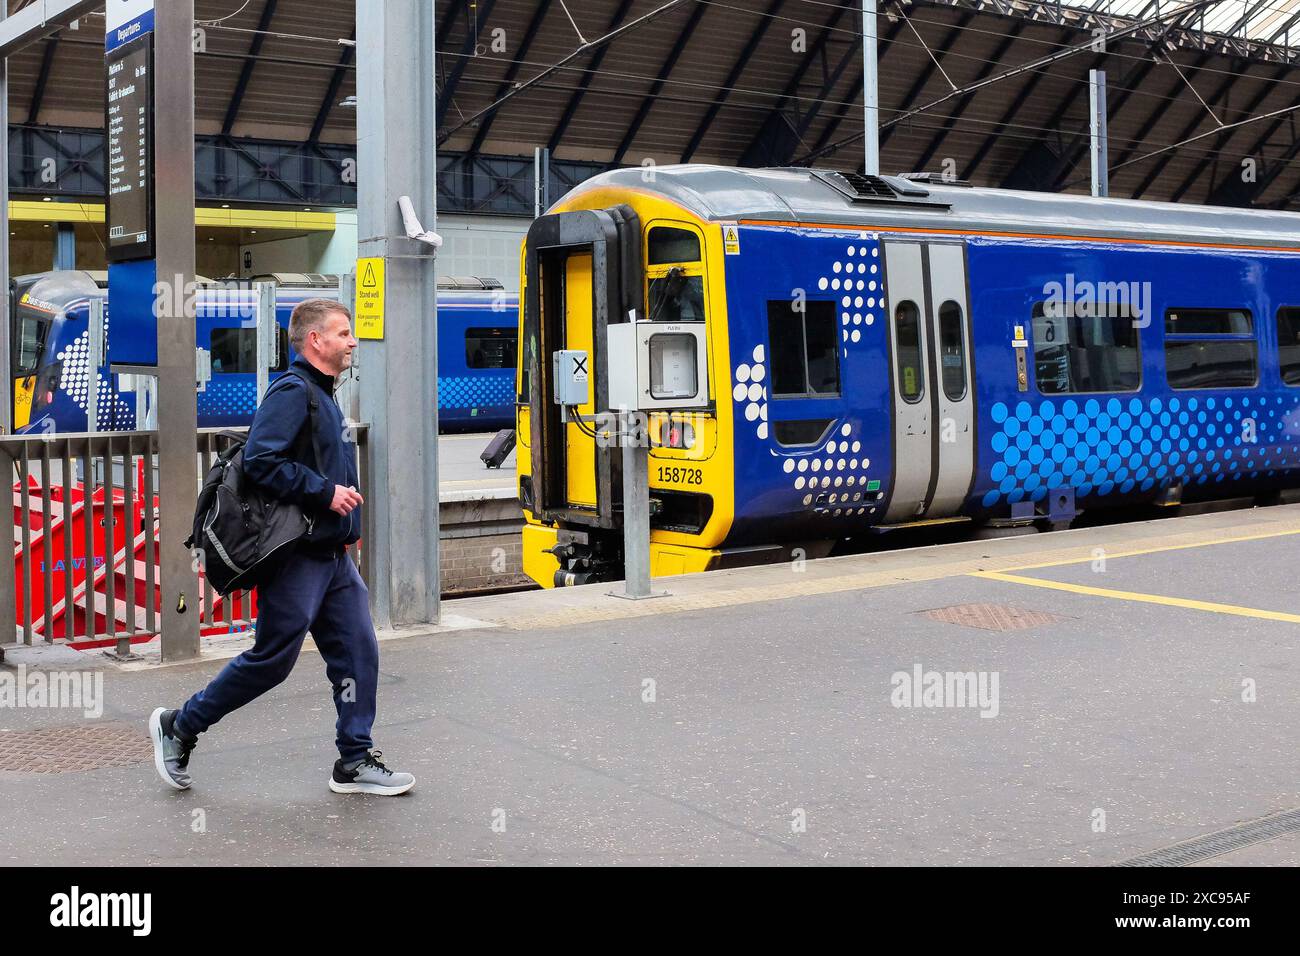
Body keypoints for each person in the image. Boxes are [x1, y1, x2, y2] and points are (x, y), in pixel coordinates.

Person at [149, 298, 414, 796]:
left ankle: (354, 760)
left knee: (358, 651)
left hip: (333, 556)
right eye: (344, 333)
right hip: (298, 557)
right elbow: (261, 459)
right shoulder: (293, 392)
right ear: (316, 341)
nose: (353, 341)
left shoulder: (323, 393)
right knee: (272, 660)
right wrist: (325, 491)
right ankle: (180, 725)